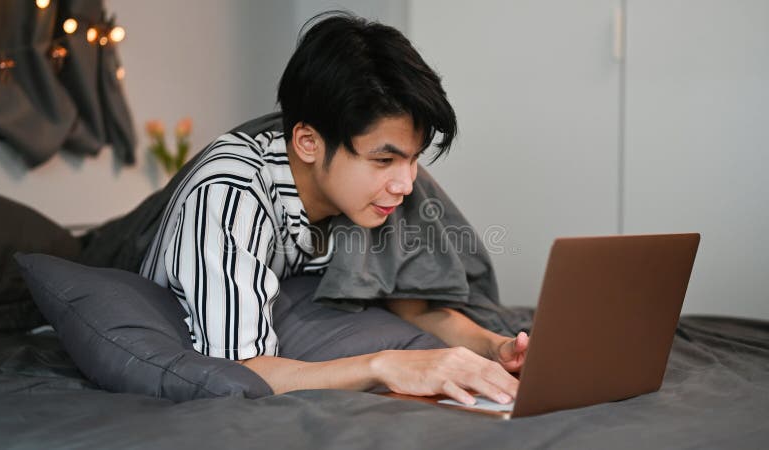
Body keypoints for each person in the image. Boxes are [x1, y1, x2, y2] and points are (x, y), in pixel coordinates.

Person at [141, 11, 528, 406]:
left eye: (413, 159)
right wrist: (386, 366)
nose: (406, 184)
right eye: (383, 161)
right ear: (308, 142)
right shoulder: (230, 195)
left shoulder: (379, 195)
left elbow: (414, 312)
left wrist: (494, 347)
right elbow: (239, 372)